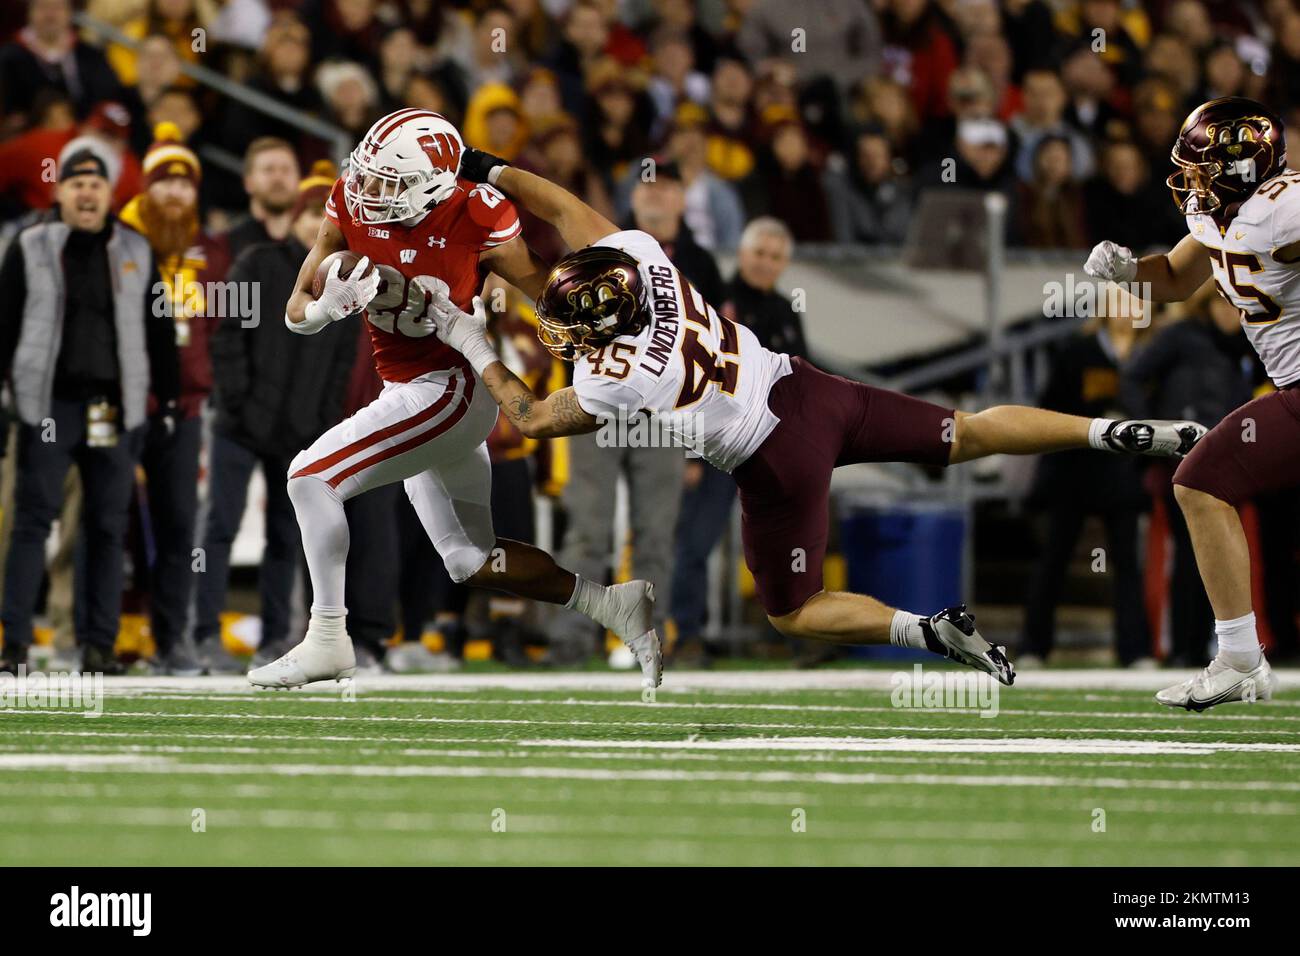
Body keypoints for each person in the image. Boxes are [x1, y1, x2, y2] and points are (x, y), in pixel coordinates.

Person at [426, 147, 1206, 686]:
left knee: (793, 612)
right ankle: (1103, 431)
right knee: (963, 433)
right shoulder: (646, 258)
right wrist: (485, 166)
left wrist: (471, 340)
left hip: (773, 460)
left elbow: (527, 415)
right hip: (811, 391)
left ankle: (927, 630)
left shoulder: (616, 381)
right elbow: (559, 204)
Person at [248, 109, 663, 690]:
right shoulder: (349, 197)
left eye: (388, 183)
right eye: (367, 177)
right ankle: (612, 605)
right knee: (470, 559)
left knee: (309, 478)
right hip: (410, 390)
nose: (369, 192)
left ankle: (328, 638)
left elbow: (549, 295)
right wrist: (326, 309)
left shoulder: (475, 211)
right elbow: (296, 311)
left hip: (453, 388)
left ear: (432, 186)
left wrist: (616, 344)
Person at [1085, 96, 1300, 710]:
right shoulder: (1222, 216)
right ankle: (1239, 658)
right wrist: (1129, 270)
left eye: (1202, 168)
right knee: (1203, 482)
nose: (1191, 181)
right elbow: (1178, 280)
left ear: (1242, 167)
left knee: (1202, 479)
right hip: (1291, 389)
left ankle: (1239, 659)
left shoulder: (1284, 210)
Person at [0, 144, 178, 675]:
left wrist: (165, 401)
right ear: (59, 192)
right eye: (75, 182)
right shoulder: (29, 245)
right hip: (47, 404)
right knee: (32, 522)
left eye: (95, 183)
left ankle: (98, 646)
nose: (85, 191)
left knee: (105, 525)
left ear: (110, 194)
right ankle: (14, 645)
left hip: (113, 407)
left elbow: (159, 329)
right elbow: (3, 325)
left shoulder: (137, 249)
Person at [196, 161, 357, 673]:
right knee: (218, 528)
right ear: (294, 219)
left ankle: (274, 637)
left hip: (298, 431)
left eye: (321, 215)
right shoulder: (255, 262)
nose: (314, 223)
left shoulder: (345, 285)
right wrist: (240, 404)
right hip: (240, 427)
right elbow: (226, 341)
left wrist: (319, 421)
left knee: (285, 537)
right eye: (307, 213)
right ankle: (201, 635)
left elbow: (339, 369)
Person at [118, 121, 228, 674]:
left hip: (184, 409)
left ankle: (172, 640)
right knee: (107, 520)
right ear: (145, 186)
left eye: (185, 183)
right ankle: (100, 637)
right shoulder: (118, 242)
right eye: (164, 181)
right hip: (120, 404)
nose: (175, 192)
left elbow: (227, 330)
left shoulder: (211, 251)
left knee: (180, 524)